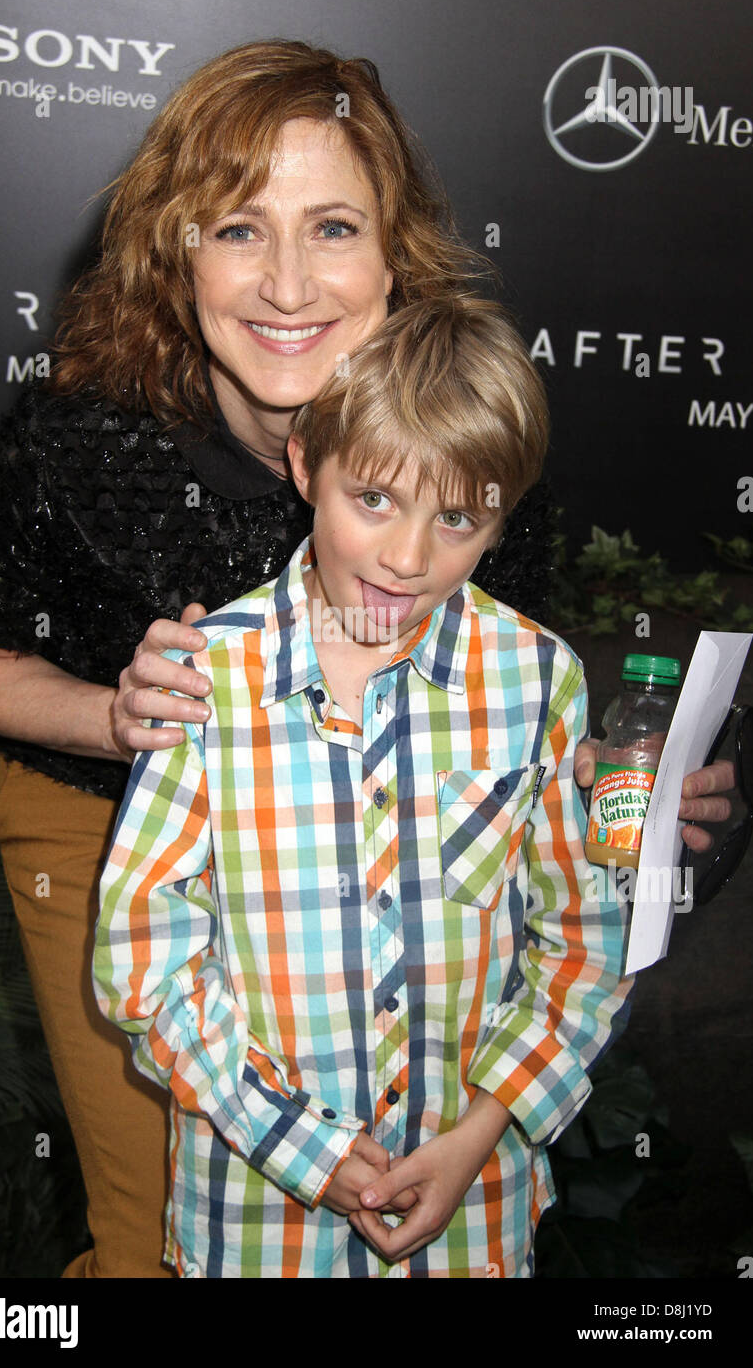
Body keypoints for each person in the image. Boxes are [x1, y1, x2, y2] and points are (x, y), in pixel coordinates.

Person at [0, 40, 732, 1279]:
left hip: (374, 836)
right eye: (239, 230)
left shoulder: (458, 438)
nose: (290, 282)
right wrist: (116, 716)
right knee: (158, 1226)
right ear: (174, 252)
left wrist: (609, 795)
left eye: (335, 227)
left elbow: (505, 725)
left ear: (394, 250)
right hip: (105, 802)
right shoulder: (86, 436)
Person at [94, 293, 634, 1278]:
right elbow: (145, 954)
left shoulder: (536, 678)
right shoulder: (206, 675)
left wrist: (480, 1131)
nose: (406, 557)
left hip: (478, 1215)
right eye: (374, 499)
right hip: (259, 1231)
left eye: (458, 518)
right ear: (308, 465)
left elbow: (584, 941)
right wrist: (307, 1147)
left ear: (500, 519)